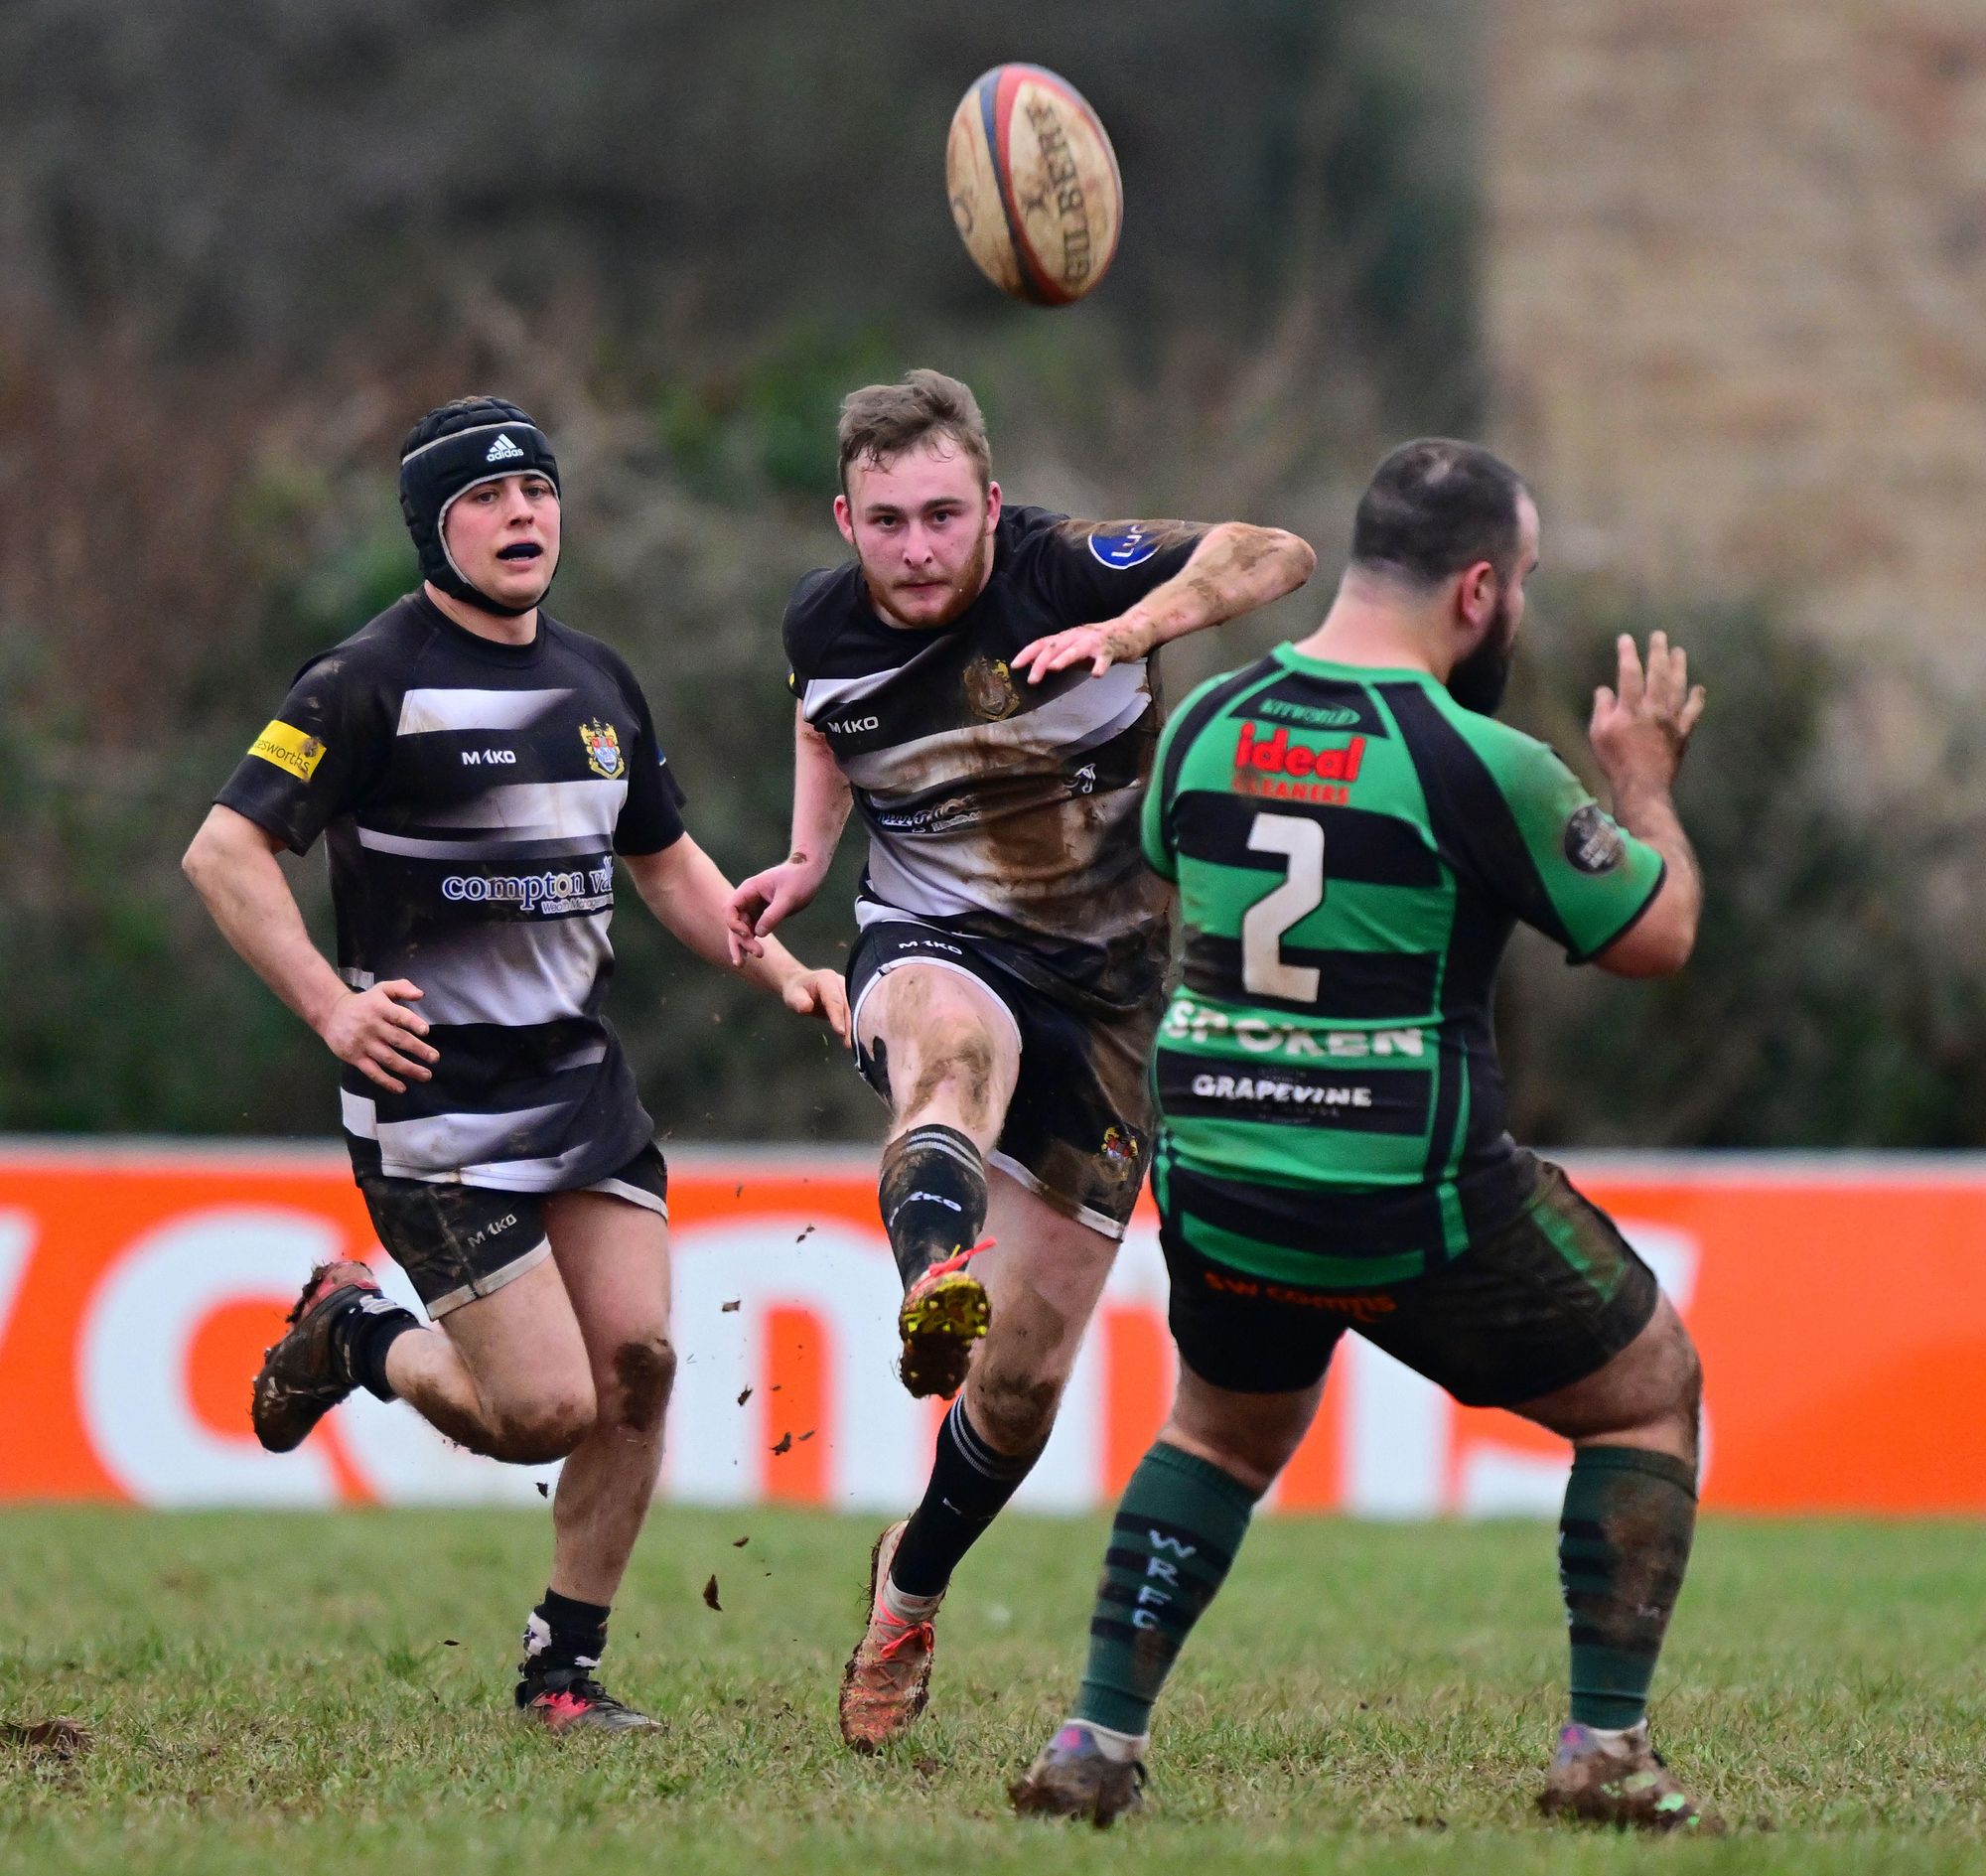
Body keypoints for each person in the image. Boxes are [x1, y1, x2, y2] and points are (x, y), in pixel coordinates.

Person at [1010, 438, 1720, 1831]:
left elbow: (1170, 887)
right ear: (1477, 589)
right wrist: (1641, 778)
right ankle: (1605, 1749)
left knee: (1219, 1433)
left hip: (1218, 1166)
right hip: (1408, 1186)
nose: (1513, 606)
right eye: (1518, 582)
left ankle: (1094, 1736)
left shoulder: (1208, 721)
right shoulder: (1480, 758)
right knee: (1650, 1389)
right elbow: (1660, 936)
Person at [182, 396, 848, 1733]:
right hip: (432, 1102)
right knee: (542, 1405)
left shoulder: (598, 679)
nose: (523, 514)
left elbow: (664, 861)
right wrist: (328, 1004)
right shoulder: (365, 678)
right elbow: (222, 851)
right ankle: (357, 1334)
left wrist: (778, 963)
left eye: (538, 490)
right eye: (486, 498)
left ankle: (564, 1669)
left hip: (577, 1087)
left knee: (644, 1360)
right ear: (434, 528)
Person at [723, 368, 1317, 1751]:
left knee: (1025, 1384)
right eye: (888, 522)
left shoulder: (1063, 567)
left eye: (943, 514)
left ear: (990, 504)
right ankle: (934, 1270)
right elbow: (825, 715)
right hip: (933, 934)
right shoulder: (821, 618)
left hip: (1113, 999)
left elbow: (1274, 553)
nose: (919, 548)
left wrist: (1136, 626)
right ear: (845, 519)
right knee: (947, 1053)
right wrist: (812, 856)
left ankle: (909, 1583)